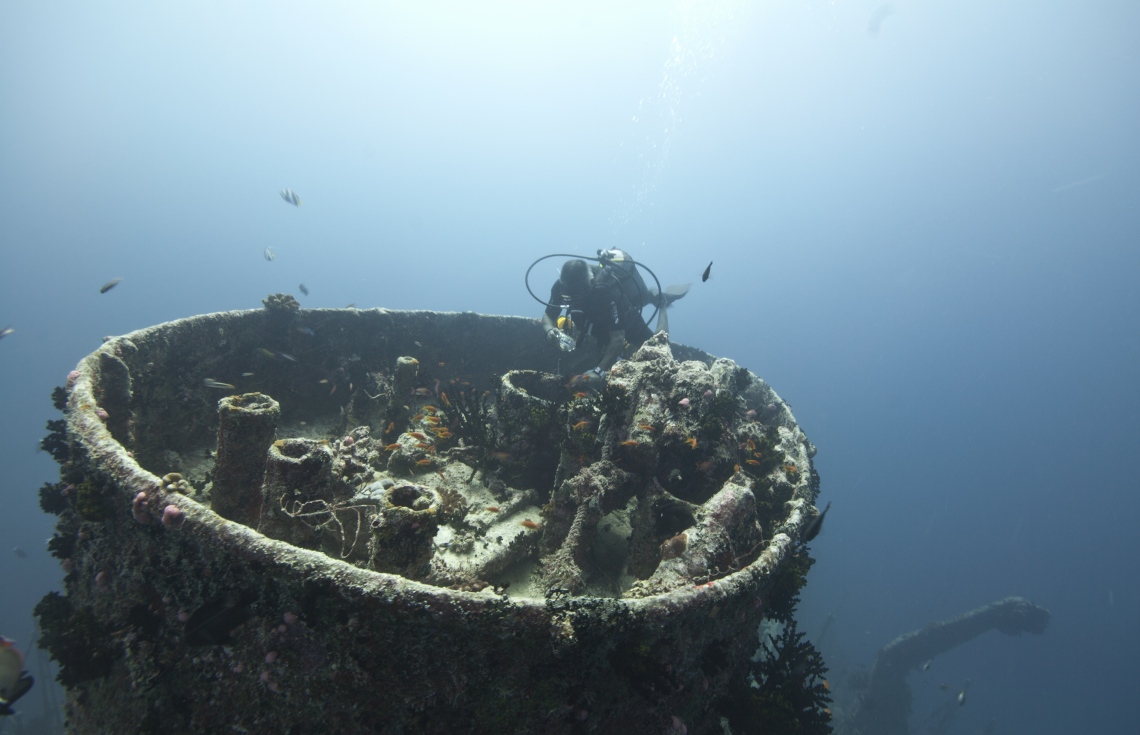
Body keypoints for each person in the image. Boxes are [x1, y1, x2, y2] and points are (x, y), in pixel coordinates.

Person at [542, 250, 687, 384]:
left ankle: (661, 302)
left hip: (627, 322)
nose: (572, 300)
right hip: (596, 323)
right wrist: (550, 331)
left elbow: (617, 338)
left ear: (590, 284)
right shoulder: (560, 288)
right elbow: (548, 315)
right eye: (568, 296)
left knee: (658, 350)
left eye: (577, 296)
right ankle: (649, 297)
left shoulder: (607, 292)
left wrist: (599, 372)